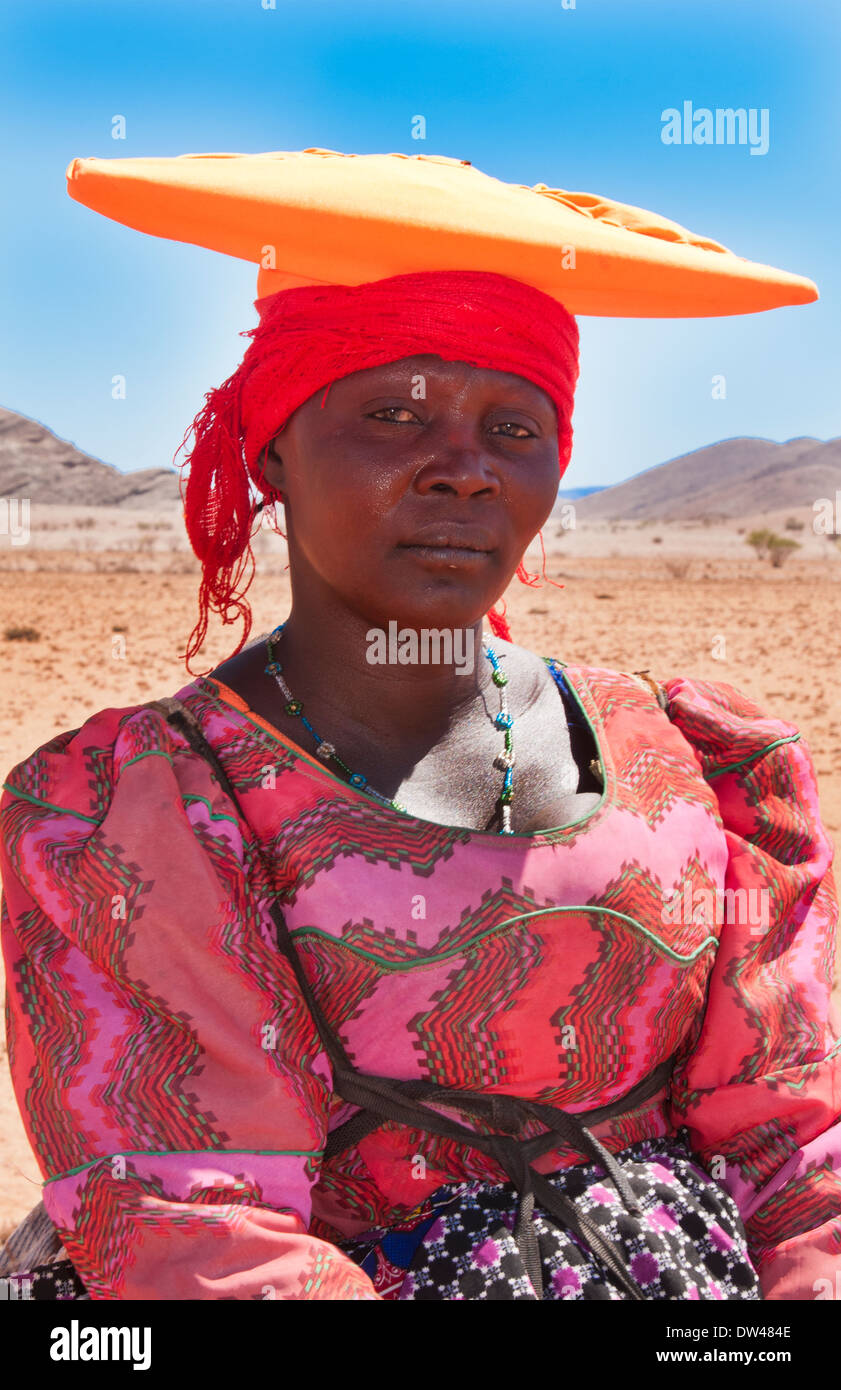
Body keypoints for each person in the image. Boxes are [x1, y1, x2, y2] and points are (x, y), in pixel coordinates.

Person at [0, 150, 838, 1302]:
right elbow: (199, 1229)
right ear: (274, 449)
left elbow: (797, 1147)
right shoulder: (144, 806)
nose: (462, 471)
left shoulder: (691, 761)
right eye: (391, 413)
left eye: (513, 426)